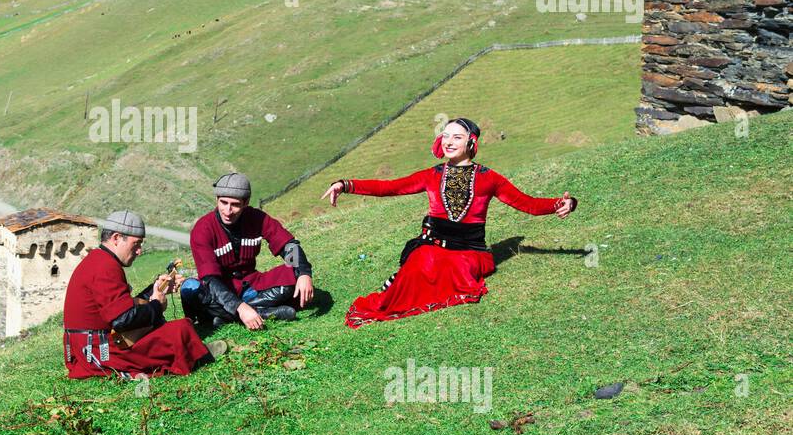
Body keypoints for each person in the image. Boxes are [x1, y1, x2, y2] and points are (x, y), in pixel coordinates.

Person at [320, 117, 577, 326]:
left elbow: (527, 204)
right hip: (433, 245)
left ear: (471, 142)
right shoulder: (431, 175)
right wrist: (345, 185)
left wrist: (561, 203)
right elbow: (390, 187)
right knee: (423, 260)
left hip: (469, 252)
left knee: (453, 269)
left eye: (457, 137)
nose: (449, 141)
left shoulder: (490, 178)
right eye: (445, 136)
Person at [63, 210, 225, 379]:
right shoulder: (106, 267)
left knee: (168, 328)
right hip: (98, 352)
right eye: (136, 244)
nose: (139, 251)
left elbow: (122, 305)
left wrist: (156, 288)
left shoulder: (99, 259)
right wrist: (156, 305)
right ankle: (196, 355)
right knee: (180, 329)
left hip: (88, 348)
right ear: (117, 238)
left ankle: (192, 351)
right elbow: (123, 320)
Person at [181, 172, 315, 330]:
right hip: (219, 291)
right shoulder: (202, 229)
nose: (228, 210)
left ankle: (228, 317)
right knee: (189, 288)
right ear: (217, 199)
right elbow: (210, 279)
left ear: (246, 203)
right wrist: (240, 307)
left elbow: (288, 246)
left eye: (235, 204)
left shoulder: (257, 218)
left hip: (252, 286)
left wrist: (303, 272)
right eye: (223, 202)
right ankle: (261, 313)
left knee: (294, 272)